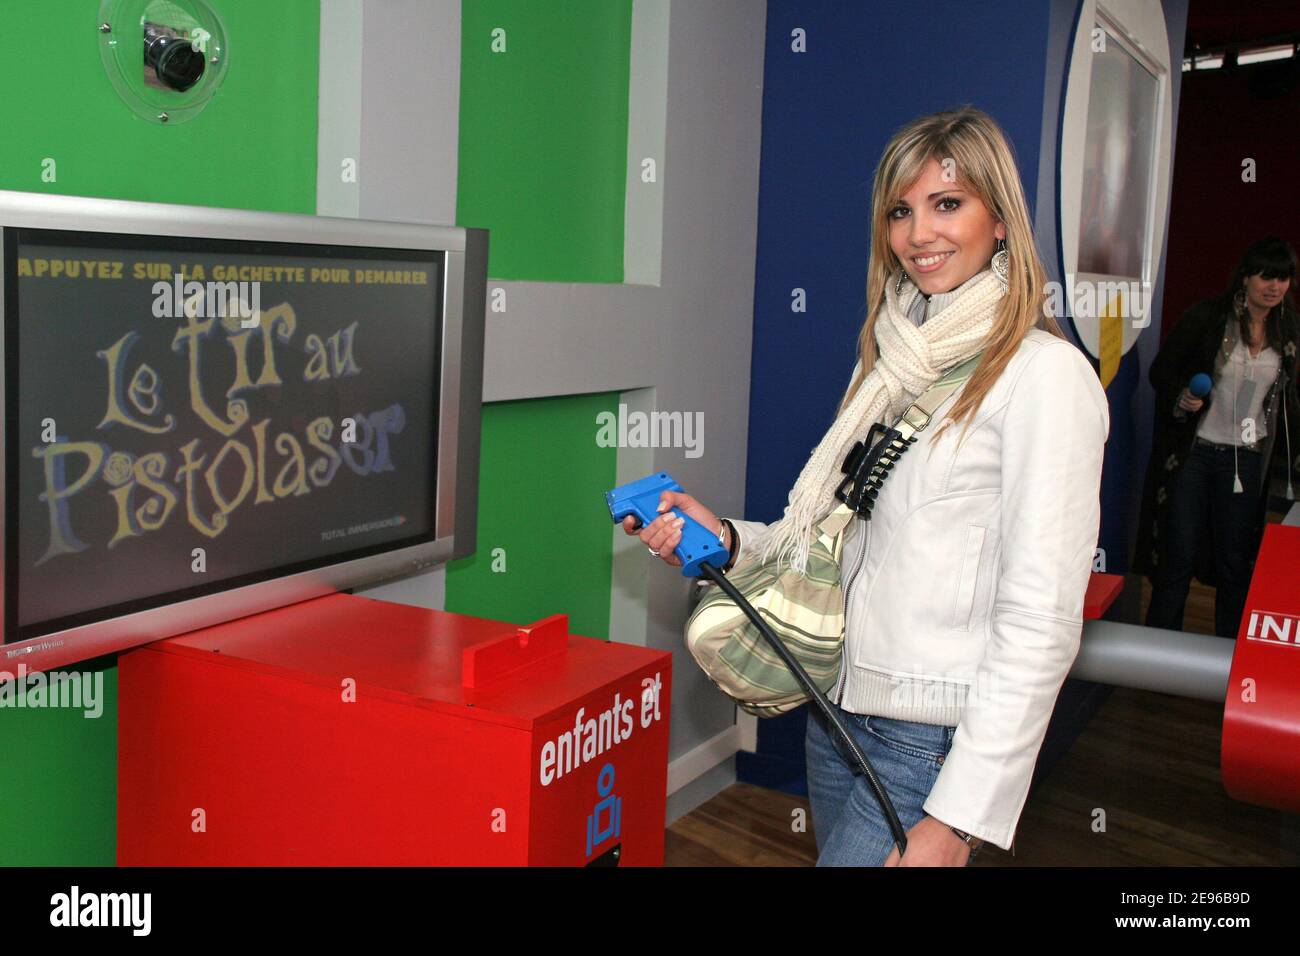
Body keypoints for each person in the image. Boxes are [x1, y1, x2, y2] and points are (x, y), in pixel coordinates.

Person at [623, 106, 1108, 866]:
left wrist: (958, 819)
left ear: (1002, 219)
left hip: (929, 744)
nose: (920, 234)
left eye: (948, 204)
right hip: (837, 714)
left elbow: (1043, 618)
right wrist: (724, 538)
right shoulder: (889, 360)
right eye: (900, 211)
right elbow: (838, 533)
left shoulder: (1045, 377)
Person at [1135, 238, 1300, 638]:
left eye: (1283, 278)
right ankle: (1160, 656)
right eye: (1266, 275)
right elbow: (1162, 372)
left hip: (1245, 460)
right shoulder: (1207, 318)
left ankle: (1228, 658)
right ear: (1245, 276)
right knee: (1177, 556)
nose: (1274, 286)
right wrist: (1184, 397)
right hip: (1197, 455)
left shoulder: (1289, 330)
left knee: (1234, 562)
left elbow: (1289, 399)